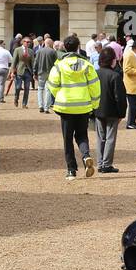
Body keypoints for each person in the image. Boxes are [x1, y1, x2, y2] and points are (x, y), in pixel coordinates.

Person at [46, 34, 101, 180]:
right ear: (78, 47)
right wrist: (94, 104)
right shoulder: (87, 65)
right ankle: (86, 156)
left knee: (68, 138)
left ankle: (71, 170)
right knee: (82, 135)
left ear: (64, 47)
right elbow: (95, 86)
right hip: (83, 106)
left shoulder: (59, 65)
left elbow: (51, 84)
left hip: (65, 106)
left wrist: (60, 95)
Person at [93, 46, 127, 174]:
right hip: (112, 111)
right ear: (112, 60)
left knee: (100, 138)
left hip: (98, 110)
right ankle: (107, 164)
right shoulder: (115, 76)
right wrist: (122, 113)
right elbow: (120, 97)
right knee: (110, 138)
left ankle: (100, 163)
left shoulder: (95, 74)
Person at [32, 37, 58, 113]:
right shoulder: (53, 52)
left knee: (40, 89)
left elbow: (36, 62)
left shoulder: (39, 51)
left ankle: (40, 106)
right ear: (50, 43)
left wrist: (34, 72)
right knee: (48, 90)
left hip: (41, 72)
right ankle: (46, 107)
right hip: (50, 73)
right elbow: (56, 63)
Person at [10, 37, 36, 108]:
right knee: (18, 87)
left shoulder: (31, 51)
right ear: (22, 42)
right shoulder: (17, 50)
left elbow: (33, 62)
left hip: (28, 71)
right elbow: (14, 61)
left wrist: (34, 72)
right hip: (19, 71)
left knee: (27, 88)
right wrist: (12, 72)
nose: (27, 43)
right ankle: (16, 98)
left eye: (28, 42)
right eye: (25, 41)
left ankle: (24, 104)